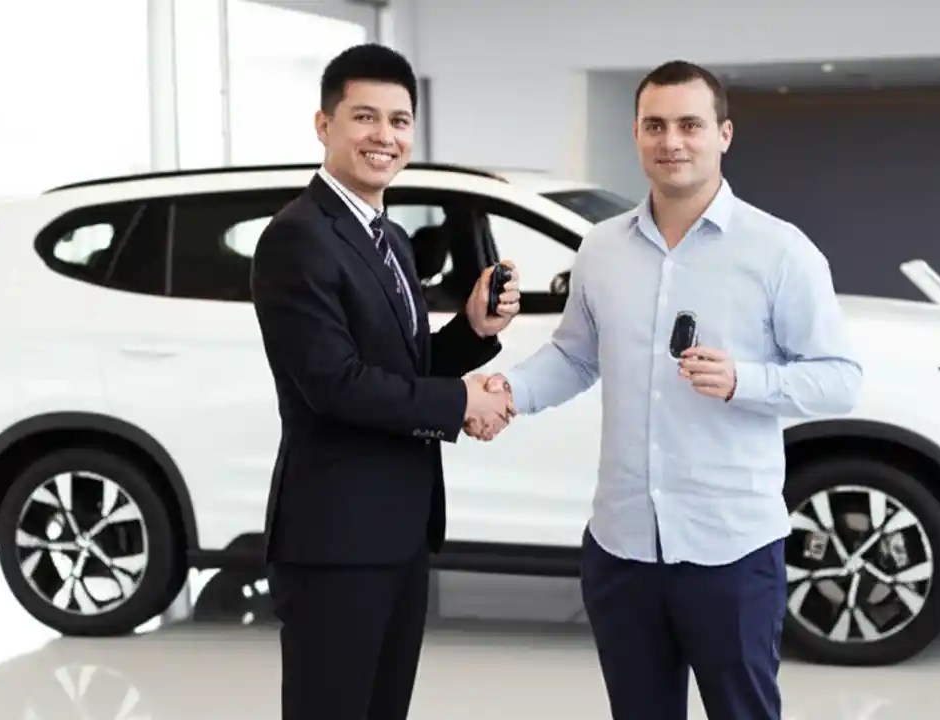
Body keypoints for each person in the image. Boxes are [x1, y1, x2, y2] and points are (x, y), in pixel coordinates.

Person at [469, 60, 862, 719]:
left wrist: (745, 380)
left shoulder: (779, 251)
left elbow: (839, 380)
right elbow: (574, 355)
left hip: (730, 549)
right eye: (655, 125)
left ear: (724, 134)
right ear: (636, 134)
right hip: (622, 546)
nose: (671, 141)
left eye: (689, 124)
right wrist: (509, 389)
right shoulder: (601, 249)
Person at [250, 43, 521, 720]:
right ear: (324, 125)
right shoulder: (299, 238)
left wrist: (472, 331)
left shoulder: (389, 237)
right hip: (336, 539)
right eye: (364, 117)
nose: (385, 136)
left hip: (397, 531)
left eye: (400, 121)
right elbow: (335, 385)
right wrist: (462, 403)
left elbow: (397, 367)